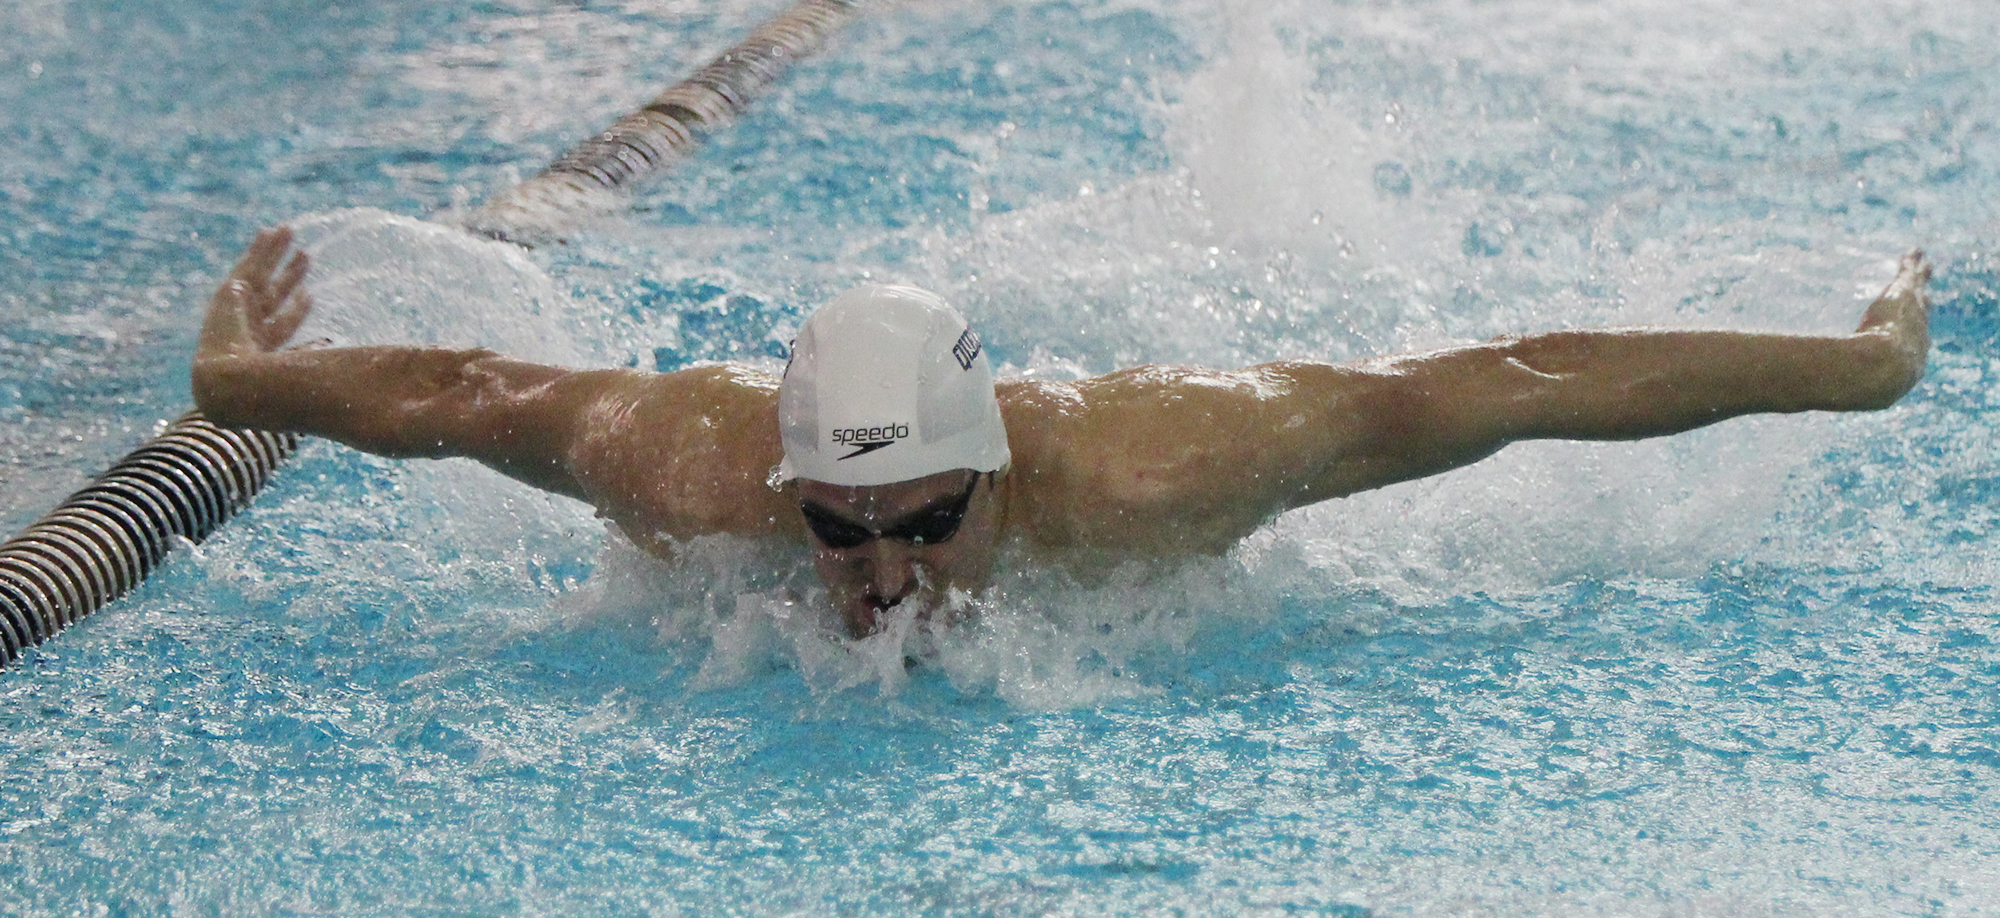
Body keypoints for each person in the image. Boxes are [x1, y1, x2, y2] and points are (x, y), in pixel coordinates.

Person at [192, 227, 1933, 636]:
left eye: (929, 522)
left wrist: (1849, 369)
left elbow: (1502, 382)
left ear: (1005, 473)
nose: (882, 579)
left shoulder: (1164, 468)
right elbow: (464, 399)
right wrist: (233, 386)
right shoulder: (697, 469)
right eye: (839, 528)